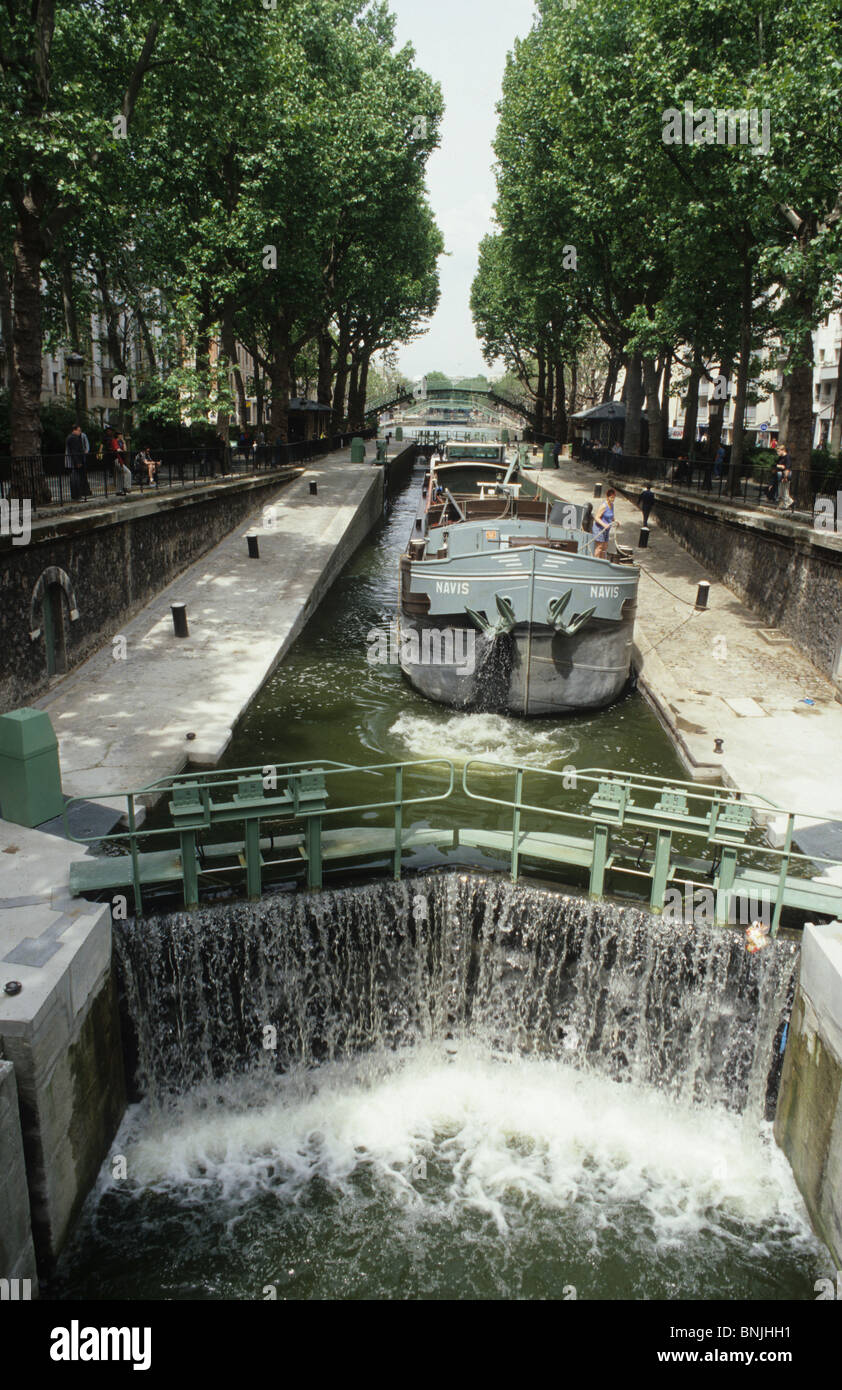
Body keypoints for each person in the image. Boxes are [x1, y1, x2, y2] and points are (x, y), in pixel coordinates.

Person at [592, 487, 616, 558]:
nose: (613, 499)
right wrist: (604, 524)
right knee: (599, 547)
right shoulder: (603, 506)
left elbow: (611, 516)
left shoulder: (612, 505)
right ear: (608, 497)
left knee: (604, 548)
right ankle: (595, 562)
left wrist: (615, 520)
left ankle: (602, 562)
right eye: (611, 497)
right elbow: (596, 518)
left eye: (614, 497)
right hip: (599, 529)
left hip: (606, 529)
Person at [65, 424, 86, 500]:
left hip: (72, 461)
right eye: (79, 430)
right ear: (75, 430)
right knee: (75, 479)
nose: (80, 432)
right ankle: (77, 495)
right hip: (73, 462)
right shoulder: (73, 438)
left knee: (75, 478)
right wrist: (78, 462)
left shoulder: (71, 437)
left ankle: (76, 495)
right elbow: (74, 451)